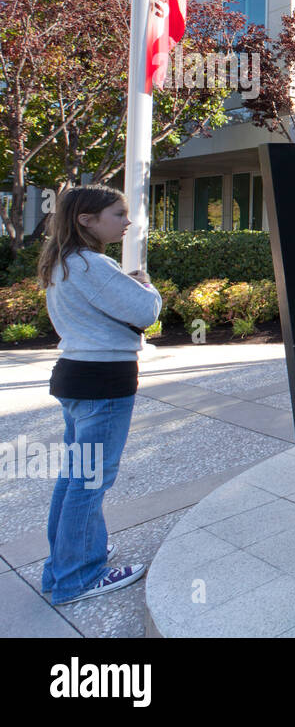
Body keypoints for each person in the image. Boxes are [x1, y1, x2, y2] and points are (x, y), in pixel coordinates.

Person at [39, 184, 162, 605]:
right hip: (103, 383)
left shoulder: (63, 262)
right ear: (86, 220)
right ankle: (77, 576)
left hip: (76, 378)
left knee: (75, 477)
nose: (127, 222)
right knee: (90, 481)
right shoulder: (91, 264)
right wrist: (147, 287)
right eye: (117, 214)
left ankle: (67, 562)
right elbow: (145, 311)